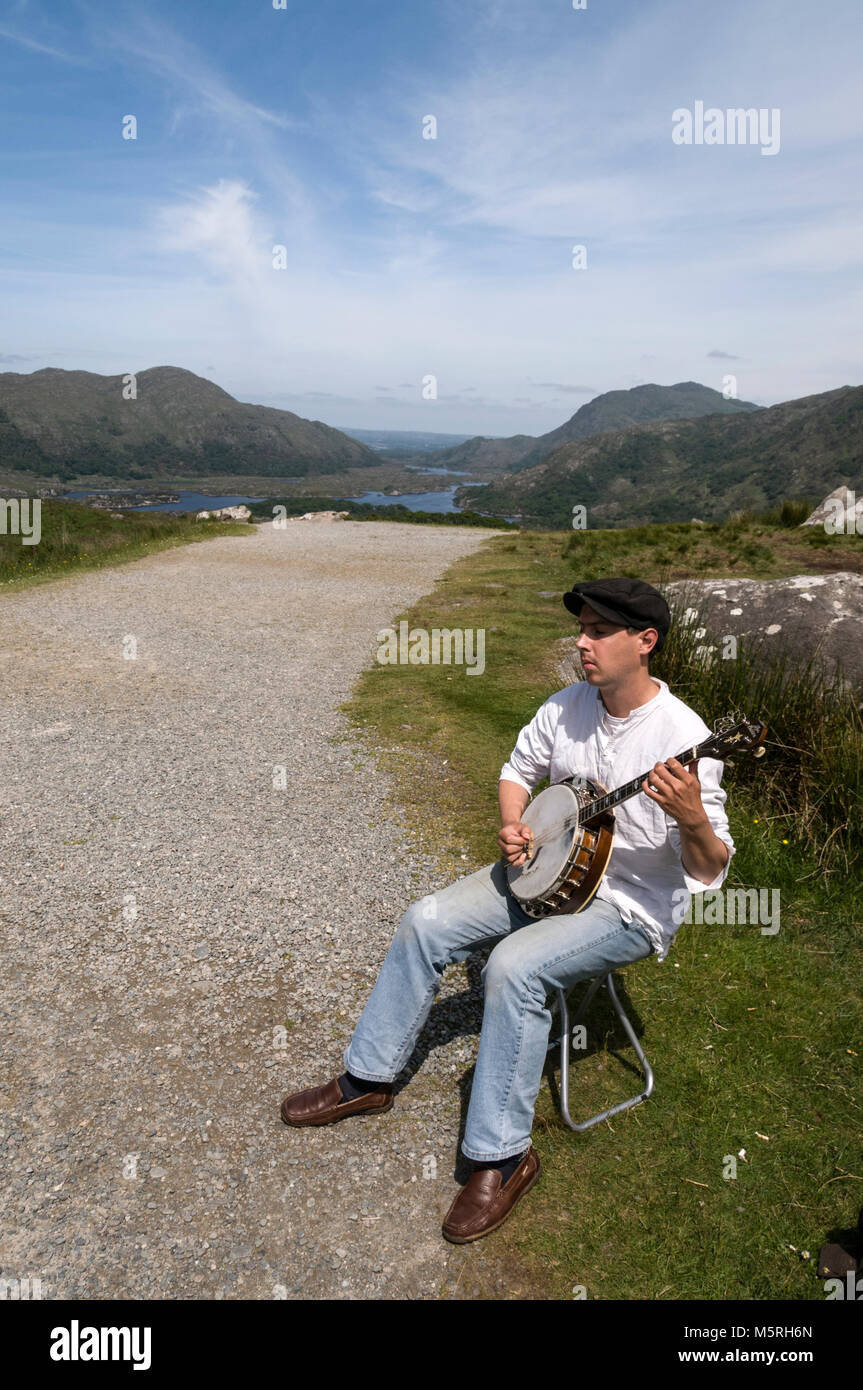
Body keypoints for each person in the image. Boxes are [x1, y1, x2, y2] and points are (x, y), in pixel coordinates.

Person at [280, 577, 735, 1243]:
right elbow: (516, 769)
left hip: (625, 907)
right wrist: (514, 826)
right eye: (581, 627)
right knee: (425, 920)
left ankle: (503, 1156)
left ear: (644, 642)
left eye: (598, 630)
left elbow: (709, 869)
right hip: (547, 873)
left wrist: (691, 817)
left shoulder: (682, 735)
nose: (582, 642)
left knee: (514, 969)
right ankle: (365, 1078)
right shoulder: (568, 705)